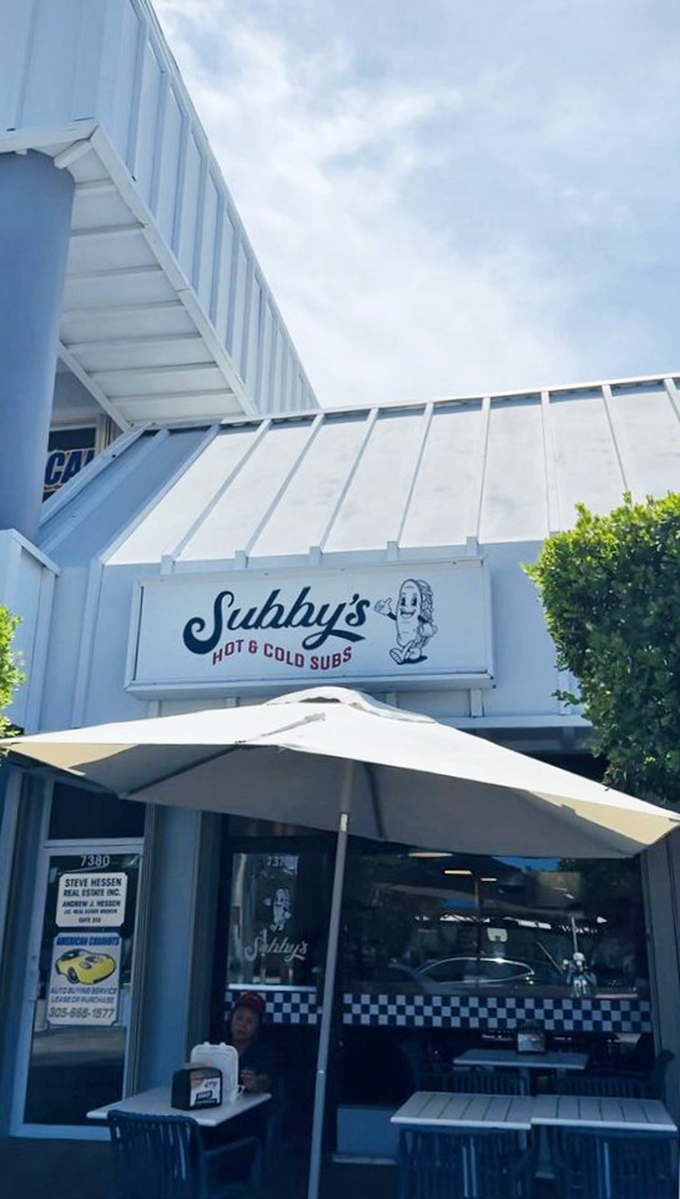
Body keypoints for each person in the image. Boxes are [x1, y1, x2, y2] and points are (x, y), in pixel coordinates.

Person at [226, 990, 275, 1095]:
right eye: (239, 1018)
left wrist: (255, 1084)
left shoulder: (264, 1051)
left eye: (250, 1021)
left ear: (257, 1027)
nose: (243, 1025)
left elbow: (266, 1080)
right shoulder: (219, 1045)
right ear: (231, 1020)